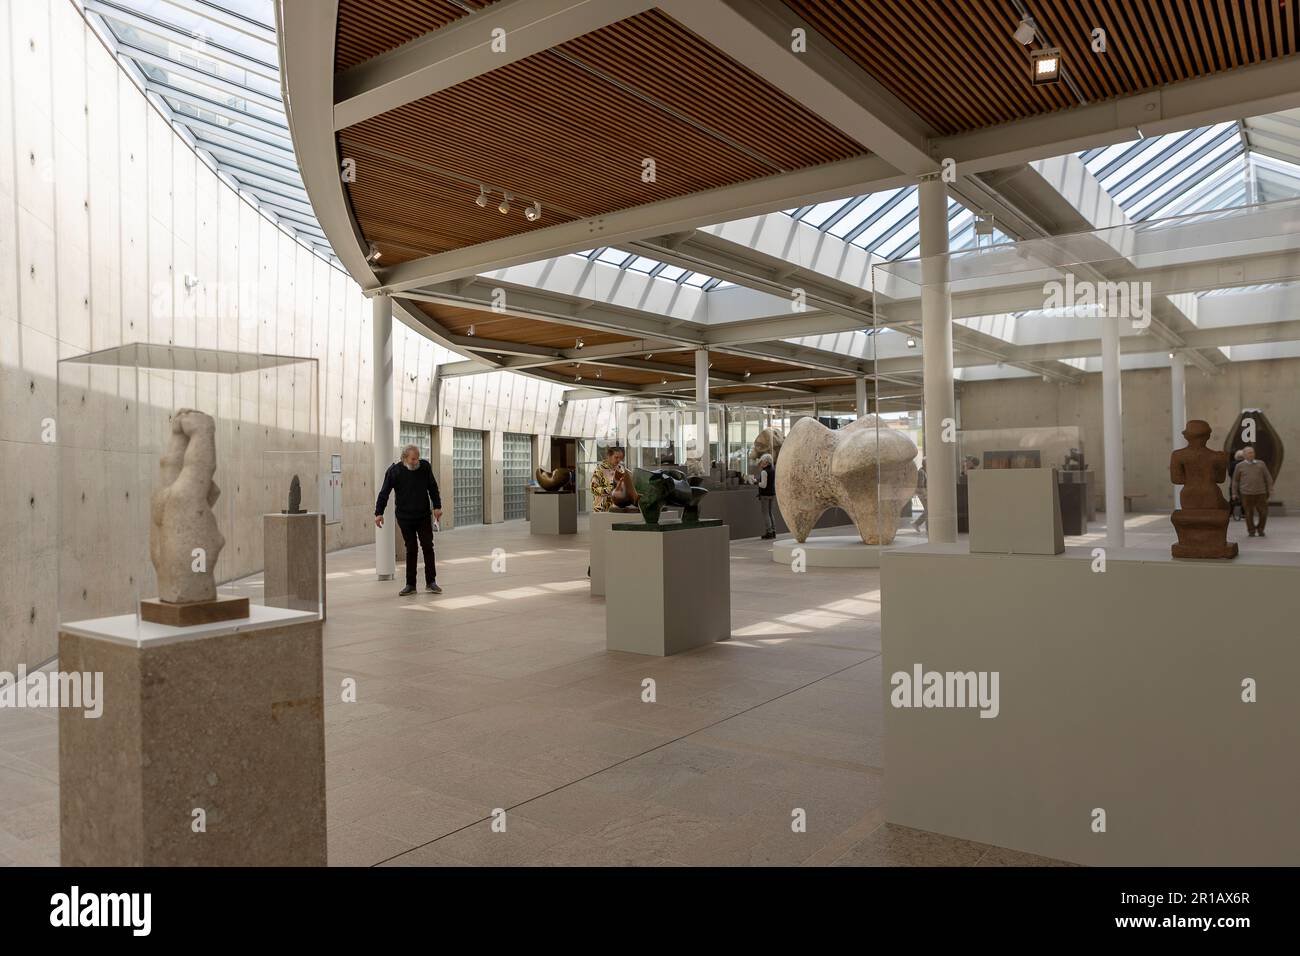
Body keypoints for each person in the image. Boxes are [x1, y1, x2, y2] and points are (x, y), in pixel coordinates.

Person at [375, 444, 443, 595]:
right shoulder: (394, 471)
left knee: (427, 546)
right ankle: (410, 584)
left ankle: (431, 582)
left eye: (417, 458)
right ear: (404, 458)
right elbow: (384, 492)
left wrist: (437, 506)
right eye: (413, 459)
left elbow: (432, 487)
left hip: (423, 515)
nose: (416, 461)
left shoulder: (425, 467)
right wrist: (378, 513)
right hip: (405, 517)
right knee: (411, 549)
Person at [1231, 446, 1274, 538]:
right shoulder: (1240, 466)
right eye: (1249, 453)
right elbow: (1235, 480)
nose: (1252, 454)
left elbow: (1268, 478)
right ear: (1244, 455)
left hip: (1261, 493)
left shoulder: (1261, 464)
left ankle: (1260, 529)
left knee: (1263, 512)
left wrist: (1270, 490)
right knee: (1248, 513)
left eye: (1253, 452)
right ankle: (1251, 530)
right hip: (1246, 493)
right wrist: (1234, 493)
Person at [591, 446, 638, 513]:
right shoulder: (600, 470)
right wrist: (610, 490)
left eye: (621, 458)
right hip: (603, 509)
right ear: (609, 456)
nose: (619, 460)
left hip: (618, 508)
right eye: (616, 457)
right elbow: (593, 489)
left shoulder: (622, 469)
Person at [754, 452, 777, 539]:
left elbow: (763, 485)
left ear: (767, 462)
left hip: (765, 495)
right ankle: (774, 531)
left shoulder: (764, 472)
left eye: (762, 462)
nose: (761, 463)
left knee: (765, 513)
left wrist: (756, 482)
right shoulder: (773, 470)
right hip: (772, 493)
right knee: (771, 512)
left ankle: (769, 532)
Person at [1226, 449, 1245, 520]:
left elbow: (1230, 474)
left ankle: (1230, 513)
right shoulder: (1244, 464)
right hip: (1243, 484)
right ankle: (1243, 514)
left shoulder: (1232, 464)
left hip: (1233, 483)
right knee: (1244, 499)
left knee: (1232, 499)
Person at [912, 459, 928, 531]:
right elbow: (920, 485)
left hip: (924, 493)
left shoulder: (925, 471)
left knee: (928, 510)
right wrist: (925, 495)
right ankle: (916, 523)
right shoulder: (921, 472)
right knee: (928, 510)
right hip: (922, 493)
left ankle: (917, 524)